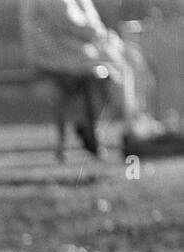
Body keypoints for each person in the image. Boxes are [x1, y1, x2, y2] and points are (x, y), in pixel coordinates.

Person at [21, 0, 164, 145]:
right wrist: (103, 36)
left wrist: (104, 37)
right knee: (121, 67)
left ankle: (139, 122)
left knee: (132, 57)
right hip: (57, 56)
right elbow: (71, 22)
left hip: (73, 49)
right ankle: (132, 128)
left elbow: (85, 21)